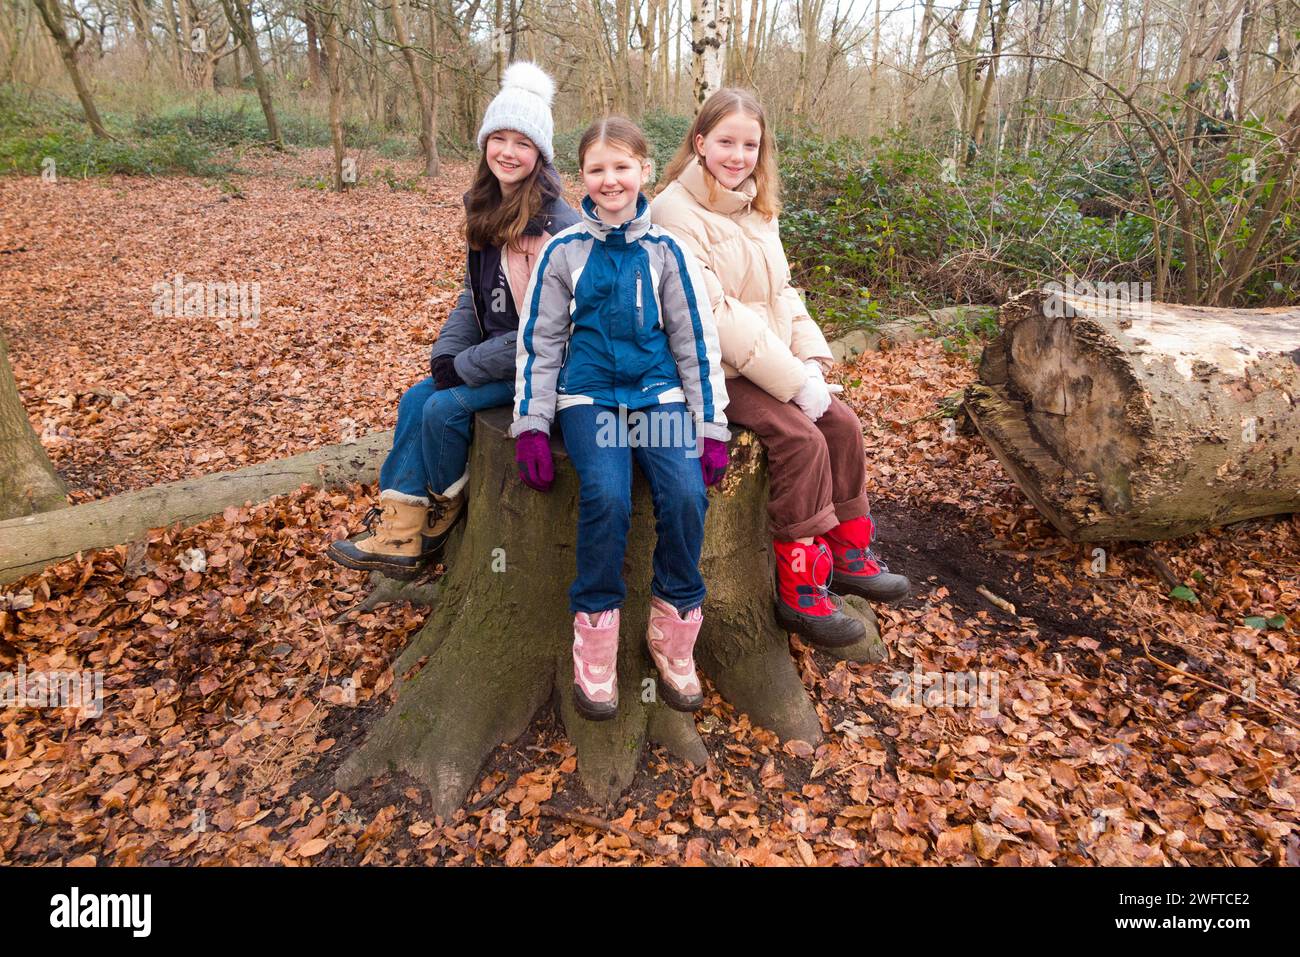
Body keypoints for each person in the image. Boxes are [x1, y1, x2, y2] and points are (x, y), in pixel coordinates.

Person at [650, 87, 911, 650]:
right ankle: (800, 587)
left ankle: (846, 553)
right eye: (725, 141)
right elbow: (710, 315)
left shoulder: (756, 205)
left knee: (841, 425)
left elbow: (783, 294)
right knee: (800, 439)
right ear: (700, 143)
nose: (738, 154)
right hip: (706, 366)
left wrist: (812, 360)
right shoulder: (673, 212)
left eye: (750, 143)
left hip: (765, 358)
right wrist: (793, 384)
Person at [512, 117, 731, 721]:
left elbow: (694, 340)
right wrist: (531, 423)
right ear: (580, 177)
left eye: (622, 167)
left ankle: (674, 629)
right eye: (596, 169)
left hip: (656, 395)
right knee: (607, 496)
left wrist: (710, 426)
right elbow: (541, 340)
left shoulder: (667, 251)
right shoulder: (564, 250)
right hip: (591, 398)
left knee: (685, 493)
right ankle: (596, 638)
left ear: (642, 170)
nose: (610, 180)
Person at [329, 62, 579, 580]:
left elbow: (548, 332)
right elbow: (473, 298)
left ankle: (443, 511)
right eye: (499, 138)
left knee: (442, 409)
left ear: (540, 155)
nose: (508, 152)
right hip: (503, 357)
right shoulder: (489, 207)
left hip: (548, 368)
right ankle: (399, 530)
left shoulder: (553, 229)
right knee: (417, 396)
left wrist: (466, 366)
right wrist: (448, 354)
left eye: (523, 143)